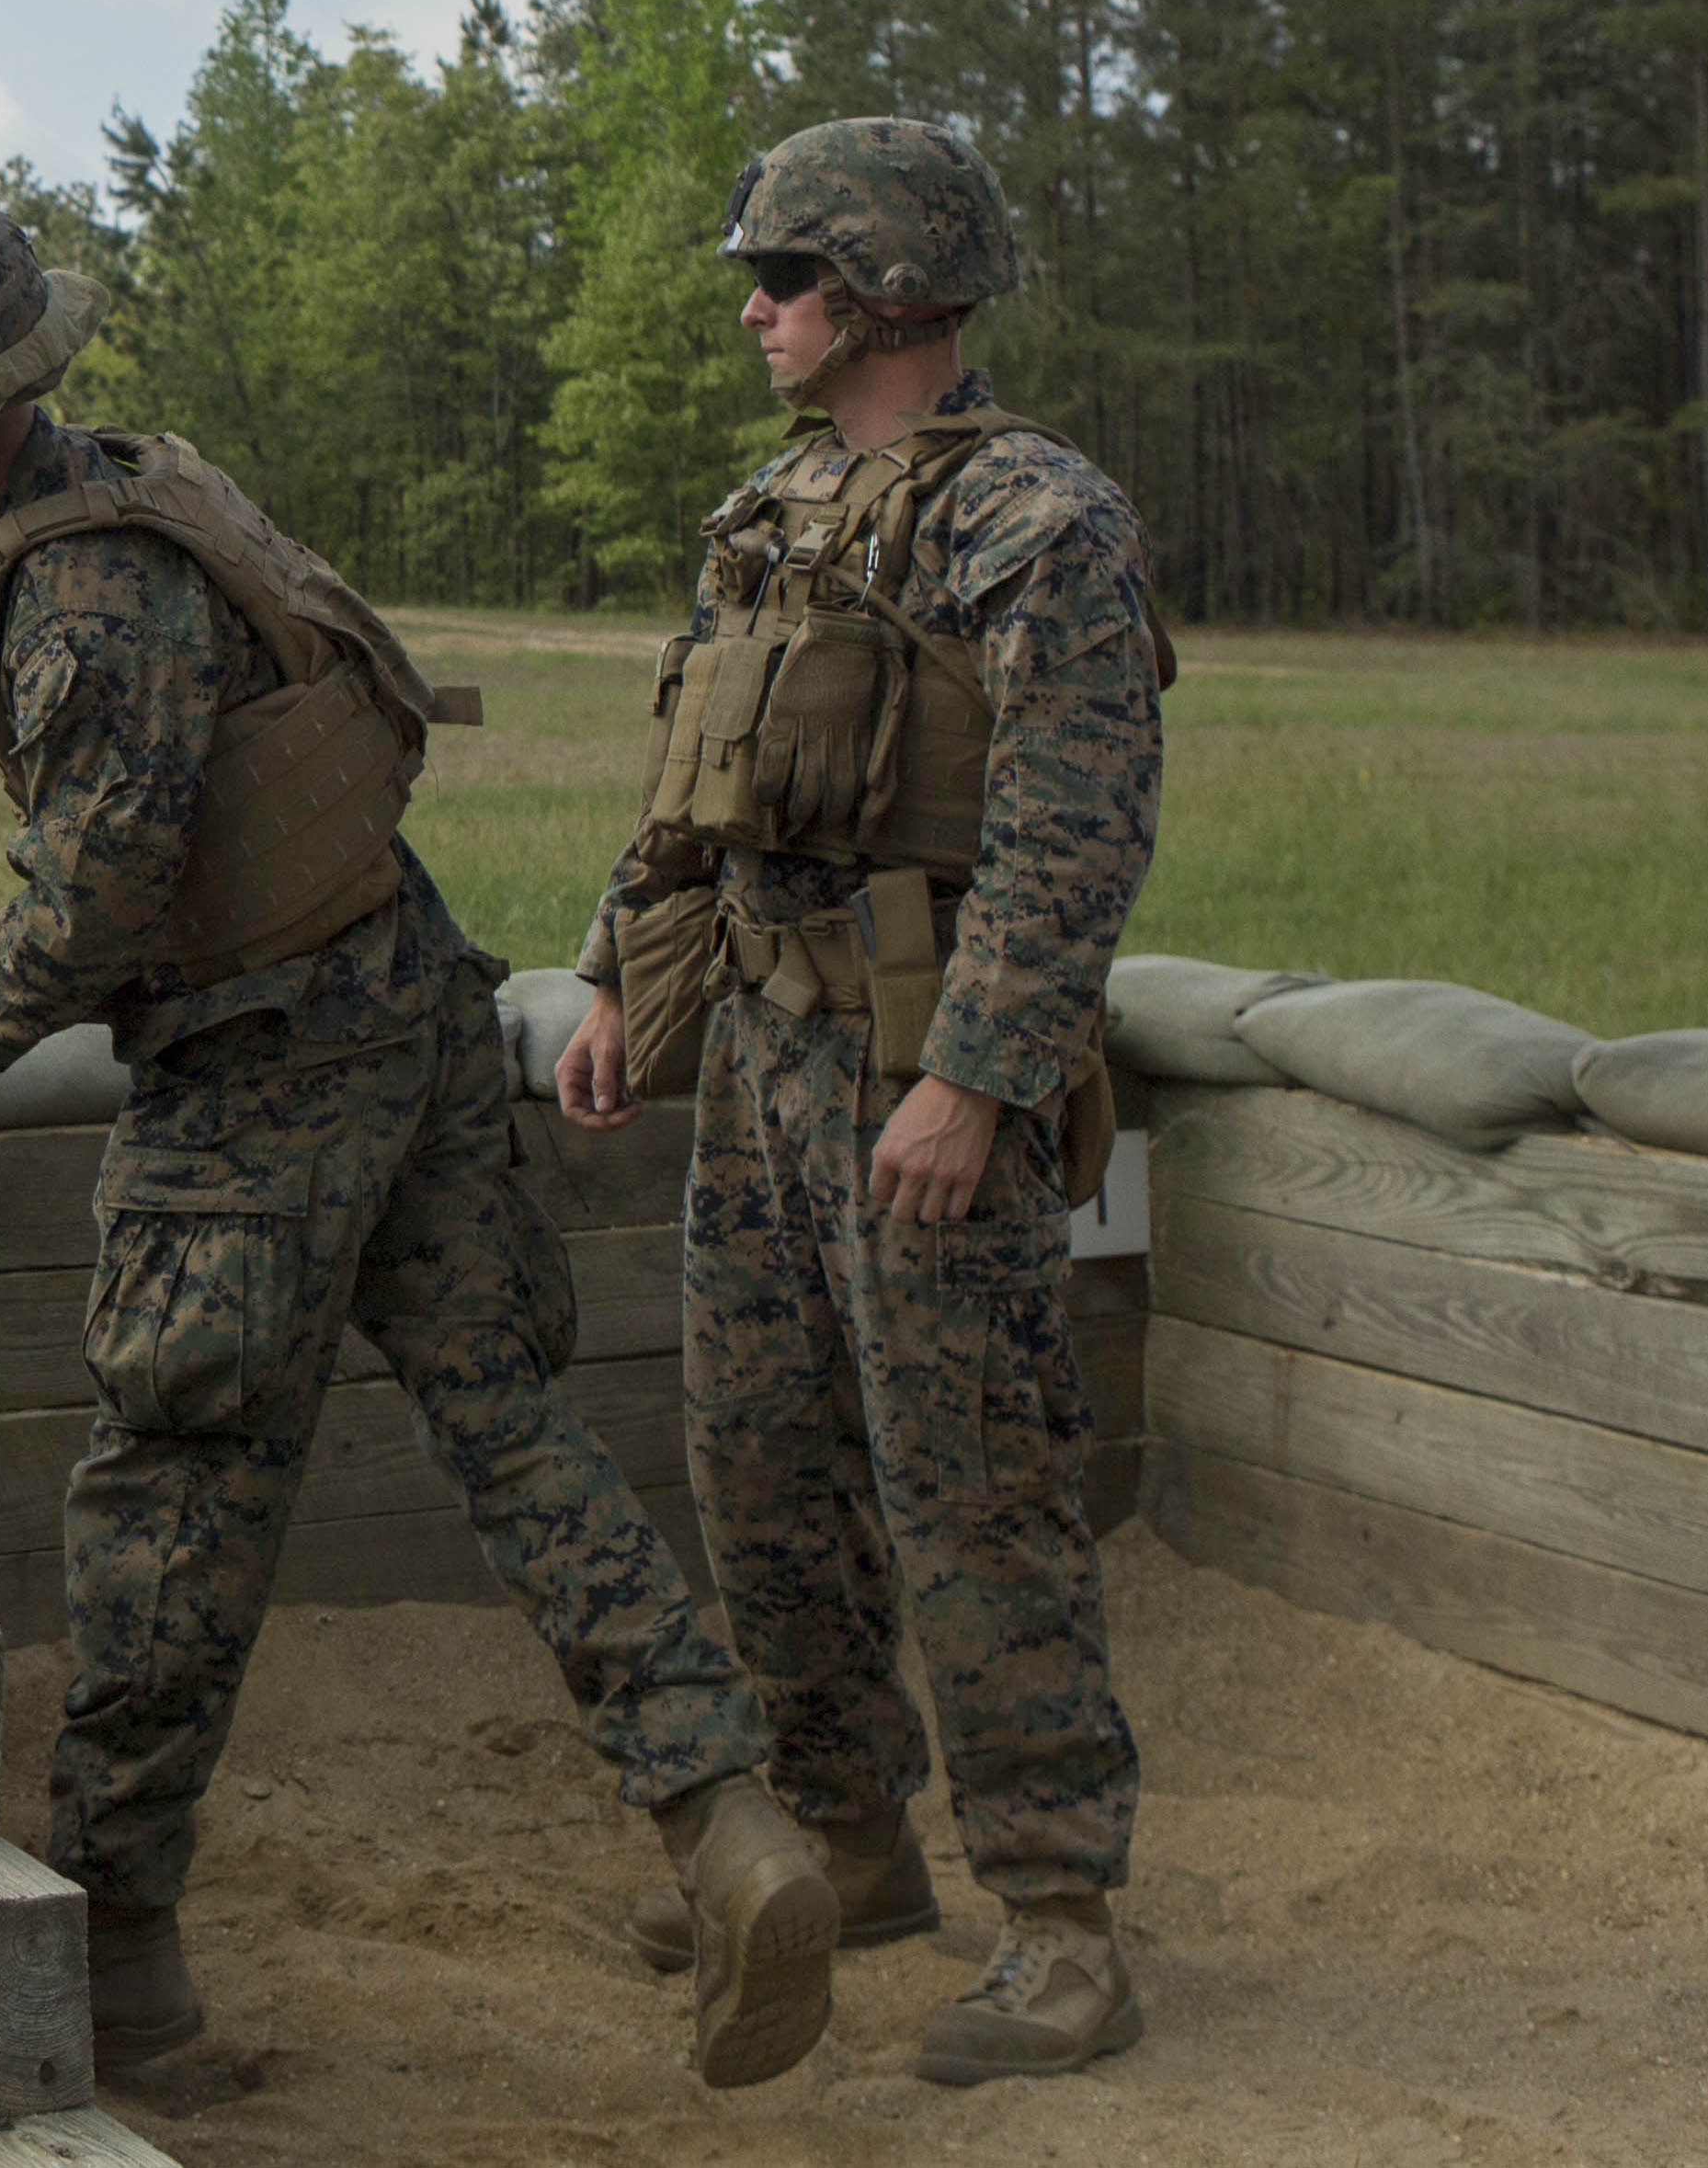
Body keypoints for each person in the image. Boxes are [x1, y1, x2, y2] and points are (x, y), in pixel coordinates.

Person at [0, 186, 840, 2099]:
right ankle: (726, 1816)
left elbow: (105, 894)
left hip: (258, 1080)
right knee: (517, 1436)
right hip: (416, 1002)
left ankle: (119, 1970)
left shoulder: (87, 606)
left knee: (172, 1500)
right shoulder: (68, 500)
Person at [553, 117, 1169, 2088]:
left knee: (971, 1484)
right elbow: (688, 766)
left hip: (920, 1084)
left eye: (786, 278)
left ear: (887, 290)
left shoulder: (1039, 522)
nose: (757, 310)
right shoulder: (774, 505)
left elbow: (1079, 833)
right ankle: (846, 1832)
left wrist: (975, 1080)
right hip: (758, 1058)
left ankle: (1062, 1922)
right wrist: (606, 965)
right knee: (762, 1471)